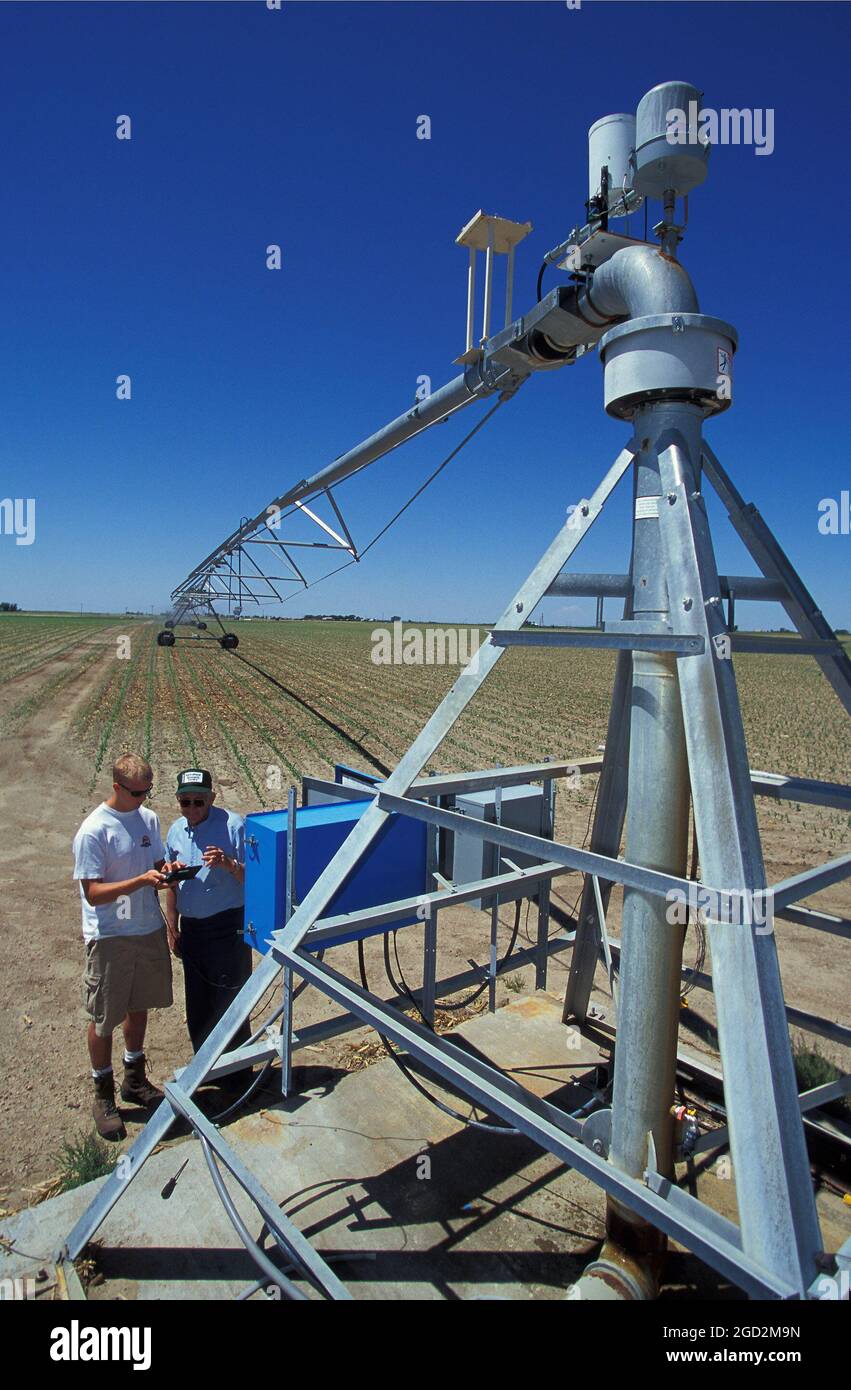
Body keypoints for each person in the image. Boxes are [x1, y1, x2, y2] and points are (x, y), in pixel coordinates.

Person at [72, 753, 182, 1140]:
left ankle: (133, 1078)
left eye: (148, 790)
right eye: (136, 792)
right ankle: (102, 1092)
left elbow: (156, 865)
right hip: (110, 937)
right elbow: (93, 892)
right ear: (117, 786)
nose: (143, 798)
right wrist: (139, 881)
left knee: (139, 1007)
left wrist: (168, 873)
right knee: (104, 1017)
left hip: (146, 929)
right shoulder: (94, 831)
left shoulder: (148, 819)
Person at [164, 769, 253, 1097]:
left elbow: (255, 880)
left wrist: (229, 864)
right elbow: (171, 886)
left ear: (212, 798)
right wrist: (172, 926)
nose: (191, 809)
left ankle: (240, 1077)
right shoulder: (175, 831)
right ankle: (208, 1069)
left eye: (198, 802)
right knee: (199, 1003)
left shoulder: (233, 825)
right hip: (194, 932)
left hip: (228, 927)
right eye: (184, 802)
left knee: (230, 1000)